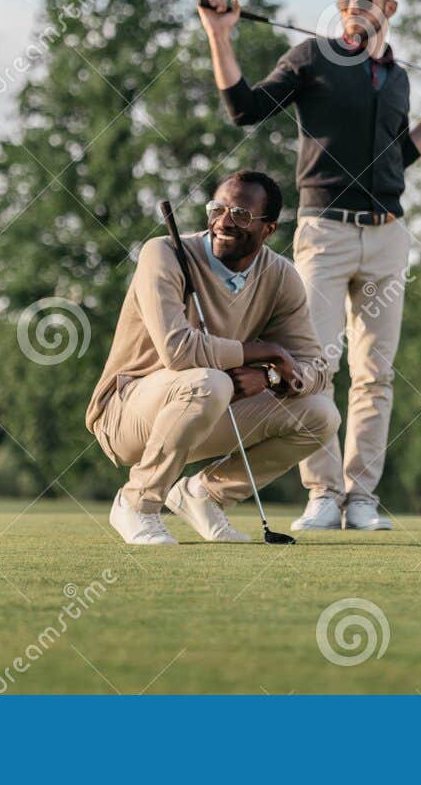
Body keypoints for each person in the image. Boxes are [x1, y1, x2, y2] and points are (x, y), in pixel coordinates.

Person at [197, 0, 421, 531]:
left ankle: (361, 498)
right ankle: (322, 492)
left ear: (389, 9)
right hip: (325, 231)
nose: (352, 10)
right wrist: (221, 36)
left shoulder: (396, 78)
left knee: (376, 374)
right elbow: (244, 109)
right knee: (315, 364)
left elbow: (400, 158)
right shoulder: (312, 58)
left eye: (364, 1)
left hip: (389, 235)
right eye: (344, 1)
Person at [88, 170, 338, 545]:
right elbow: (178, 351)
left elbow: (315, 368)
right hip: (126, 413)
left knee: (321, 415)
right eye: (217, 208)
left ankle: (205, 495)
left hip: (206, 404)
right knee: (211, 381)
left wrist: (270, 379)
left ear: (268, 229)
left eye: (240, 214)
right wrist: (266, 352)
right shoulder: (163, 252)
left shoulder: (281, 276)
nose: (223, 222)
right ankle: (137, 502)